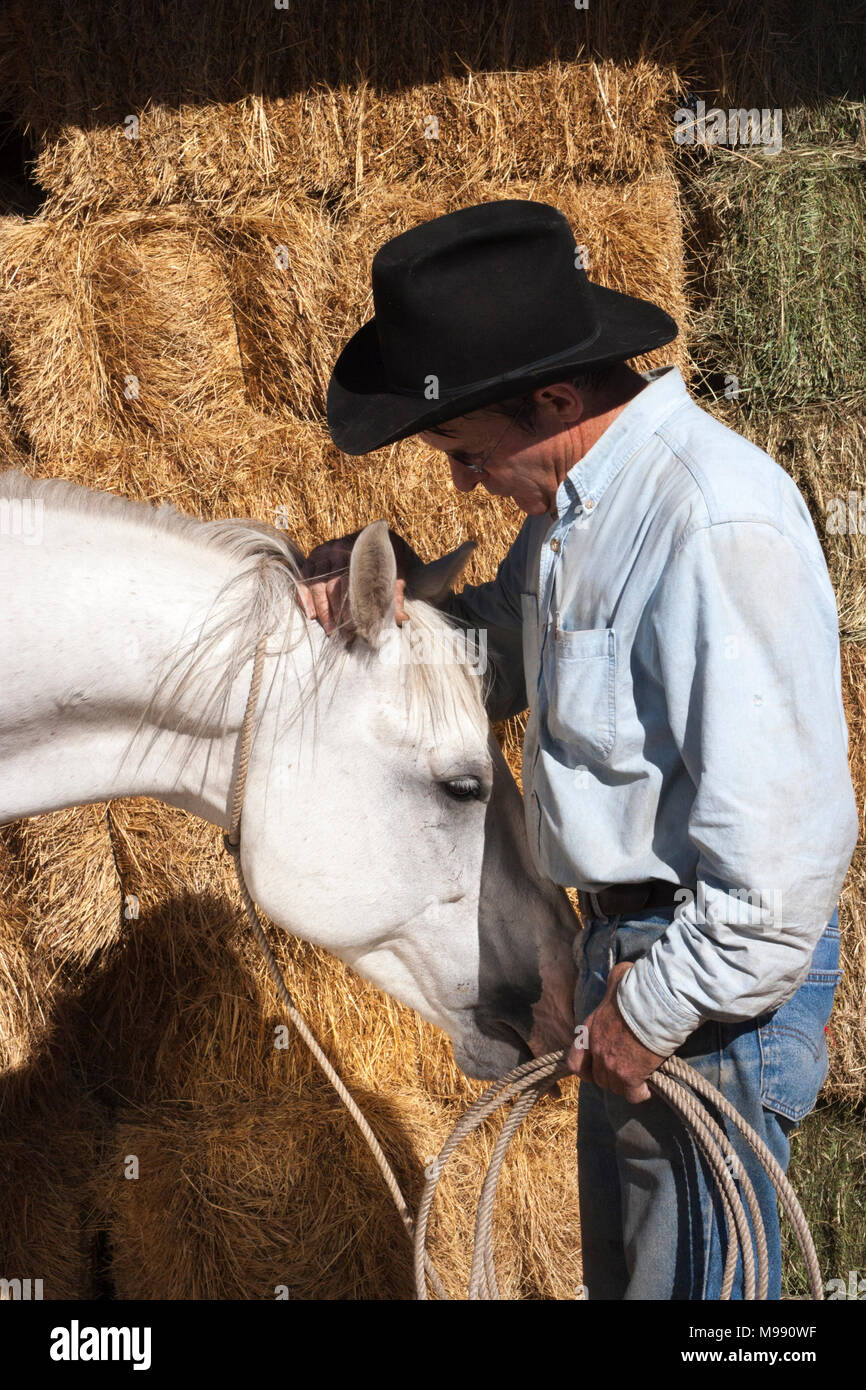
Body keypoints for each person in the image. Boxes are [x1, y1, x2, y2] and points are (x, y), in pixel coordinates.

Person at [299, 200, 858, 1300]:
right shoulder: (569, 518)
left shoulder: (709, 524)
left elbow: (777, 878)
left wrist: (646, 1012)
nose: (459, 483)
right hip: (635, 965)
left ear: (554, 399)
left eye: (465, 452)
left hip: (706, 997)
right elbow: (498, 660)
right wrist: (376, 608)